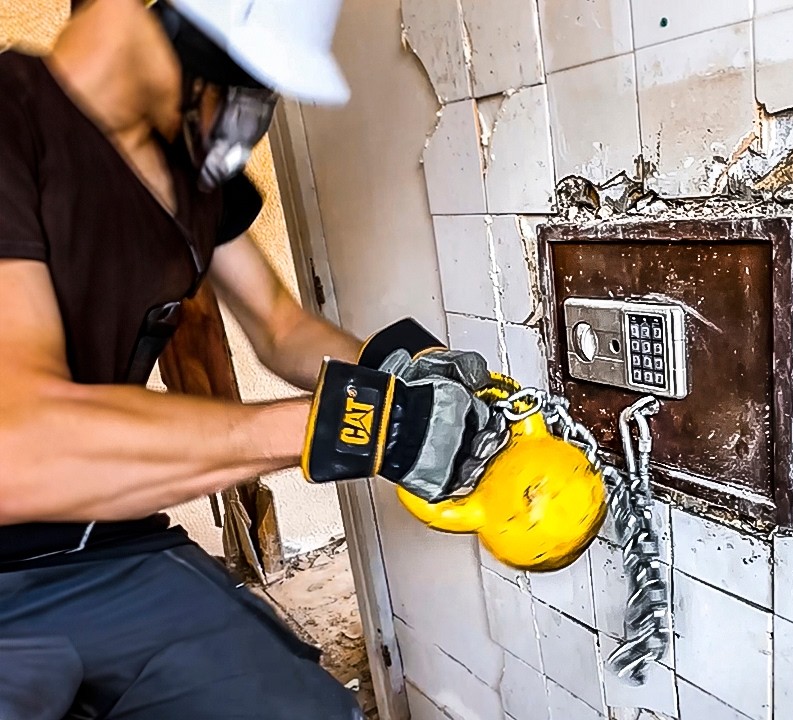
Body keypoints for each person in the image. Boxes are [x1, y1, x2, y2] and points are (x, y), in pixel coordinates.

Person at [0, 0, 498, 717]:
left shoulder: (190, 173)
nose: (251, 110)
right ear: (168, 27)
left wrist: (409, 370)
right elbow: (24, 447)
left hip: (104, 543)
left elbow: (280, 325)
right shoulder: (11, 123)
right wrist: (354, 424)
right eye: (247, 80)